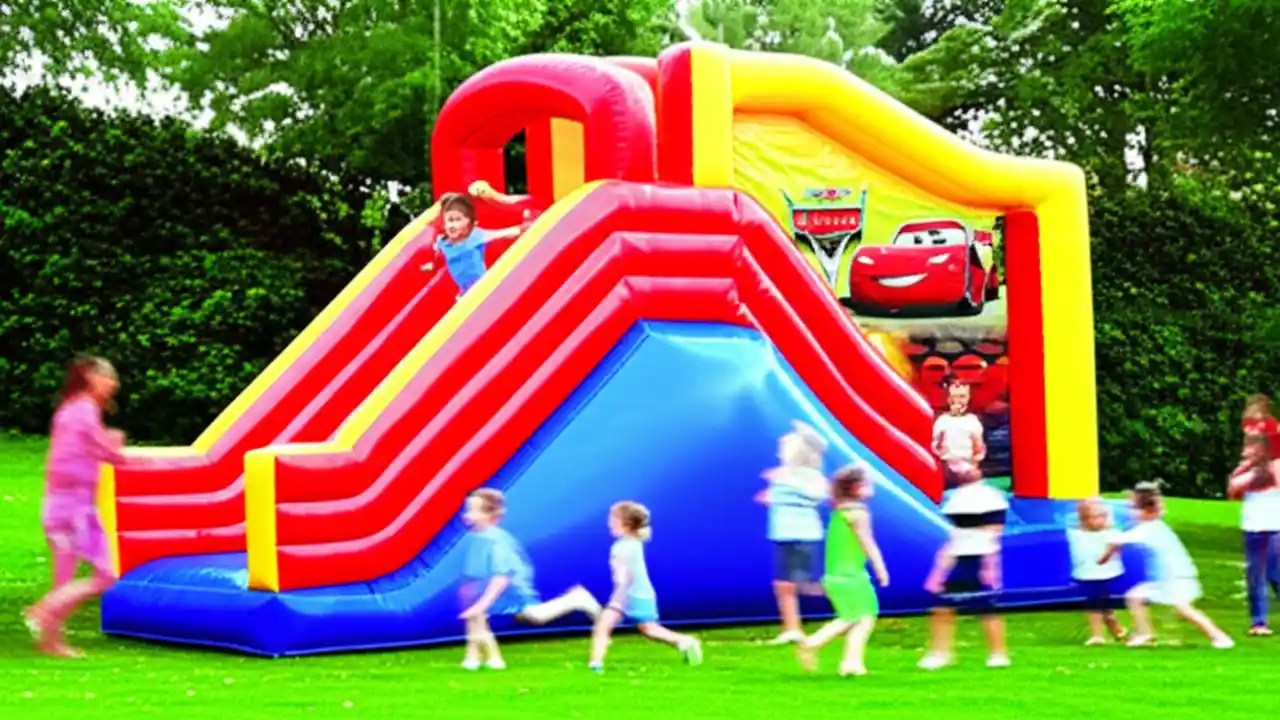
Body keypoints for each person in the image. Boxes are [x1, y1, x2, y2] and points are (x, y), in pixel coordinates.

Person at [25, 356, 128, 657]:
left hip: (59, 507)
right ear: (92, 378)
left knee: (63, 580)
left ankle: (51, 642)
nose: (114, 384)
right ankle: (44, 611)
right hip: (77, 511)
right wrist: (116, 442)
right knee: (106, 574)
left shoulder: (70, 410)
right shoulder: (83, 411)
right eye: (109, 378)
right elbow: (108, 453)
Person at [458, 488, 602, 670]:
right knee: (477, 617)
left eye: (474, 510)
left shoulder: (496, 541)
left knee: (534, 615)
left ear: (491, 515)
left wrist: (483, 602)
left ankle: (575, 599)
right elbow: (477, 573)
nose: (468, 515)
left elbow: (502, 577)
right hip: (495, 587)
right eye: (468, 510)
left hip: (512, 588)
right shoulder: (479, 538)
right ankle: (475, 658)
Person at [1100, 481, 1234, 649]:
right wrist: (1110, 551)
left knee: (1184, 609)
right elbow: (1120, 542)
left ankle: (1219, 637)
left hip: (1176, 577)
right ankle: (1144, 633)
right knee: (1135, 597)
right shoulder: (1150, 527)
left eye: (1134, 509)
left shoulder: (1151, 529)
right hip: (1164, 579)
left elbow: (1119, 540)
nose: (1131, 513)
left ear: (1148, 511)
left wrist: (1107, 532)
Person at [796, 464, 889, 676]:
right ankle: (843, 658)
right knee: (865, 618)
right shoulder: (858, 513)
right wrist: (880, 567)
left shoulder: (839, 511)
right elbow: (867, 542)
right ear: (857, 488)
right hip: (852, 575)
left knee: (850, 617)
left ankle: (839, 657)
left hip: (835, 576)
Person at [587, 501, 702, 673]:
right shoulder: (634, 543)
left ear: (625, 524)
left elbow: (624, 578)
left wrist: (618, 599)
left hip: (627, 595)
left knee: (603, 626)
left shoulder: (621, 548)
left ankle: (595, 665)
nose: (609, 523)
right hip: (643, 594)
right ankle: (684, 642)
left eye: (613, 519)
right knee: (649, 629)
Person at [919, 460, 1010, 670]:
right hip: (960, 558)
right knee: (942, 608)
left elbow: (993, 534)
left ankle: (998, 653)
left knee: (987, 609)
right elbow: (954, 538)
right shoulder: (957, 501)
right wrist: (939, 572)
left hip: (979, 558)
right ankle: (941, 653)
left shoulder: (990, 499)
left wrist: (990, 567)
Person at [756, 421, 830, 645]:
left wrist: (804, 432)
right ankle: (792, 628)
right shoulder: (784, 475)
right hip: (784, 534)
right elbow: (773, 498)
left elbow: (817, 494)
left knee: (800, 584)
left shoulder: (809, 476)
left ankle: (845, 594)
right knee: (783, 584)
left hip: (802, 534)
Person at [420, 189, 527, 296]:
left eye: (458, 220)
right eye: (449, 221)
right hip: (464, 291)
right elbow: (440, 256)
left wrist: (522, 229)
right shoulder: (443, 242)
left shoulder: (474, 237)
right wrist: (433, 266)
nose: (452, 225)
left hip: (481, 288)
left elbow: (501, 234)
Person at [1227, 434, 1280, 636]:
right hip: (1252, 528)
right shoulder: (1245, 469)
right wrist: (1250, 470)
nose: (1245, 451)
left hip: (1275, 528)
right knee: (1255, 577)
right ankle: (1258, 623)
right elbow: (1233, 492)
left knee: (1276, 575)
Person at [1067, 497, 1128, 645]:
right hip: (1085, 573)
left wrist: (1107, 555)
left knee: (1095, 603)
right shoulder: (1075, 532)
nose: (1094, 520)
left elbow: (1117, 545)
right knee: (1099, 604)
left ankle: (1099, 634)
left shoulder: (1112, 532)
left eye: (1098, 516)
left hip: (1104, 574)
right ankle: (1114, 630)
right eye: (1089, 517)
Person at [933, 382, 985, 486]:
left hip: (966, 466)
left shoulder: (972, 421)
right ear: (948, 399)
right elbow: (935, 446)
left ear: (968, 398)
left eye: (962, 397)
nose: (957, 401)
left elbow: (978, 448)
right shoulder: (942, 421)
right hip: (946, 466)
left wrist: (974, 464)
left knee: (974, 476)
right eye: (954, 397)